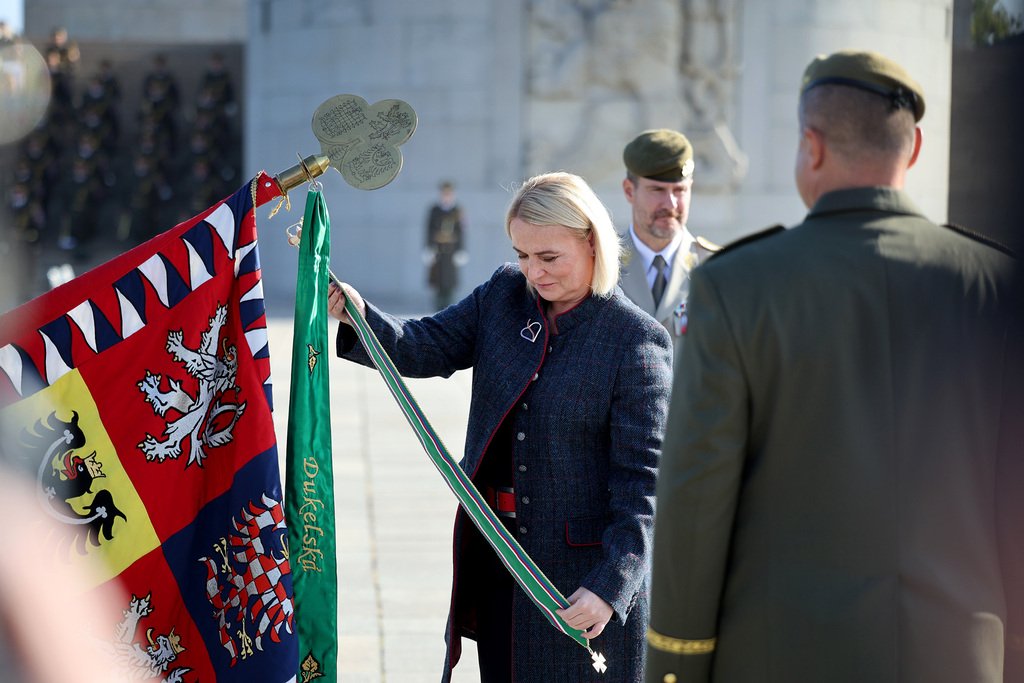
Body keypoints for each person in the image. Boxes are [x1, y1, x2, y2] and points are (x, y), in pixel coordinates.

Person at [645, 49, 1022, 683]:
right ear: (916, 148)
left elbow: (694, 498)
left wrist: (675, 669)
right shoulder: (996, 286)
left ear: (810, 147)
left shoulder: (736, 287)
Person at [329, 172, 673, 681]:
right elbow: (423, 344)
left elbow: (642, 488)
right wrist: (359, 314)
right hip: (497, 559)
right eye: (522, 254)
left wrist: (611, 586)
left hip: (578, 585)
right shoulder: (502, 296)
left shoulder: (636, 342)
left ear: (593, 242)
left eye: (549, 257)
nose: (533, 272)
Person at [618, 129, 718, 358]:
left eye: (680, 190)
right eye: (657, 190)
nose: (671, 203)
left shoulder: (717, 267)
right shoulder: (600, 264)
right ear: (629, 190)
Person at [424, 180, 466, 309]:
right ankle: (437, 310)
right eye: (444, 193)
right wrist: (428, 248)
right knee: (438, 283)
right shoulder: (434, 210)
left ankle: (449, 309)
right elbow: (429, 230)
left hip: (452, 252)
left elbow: (461, 232)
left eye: (449, 193)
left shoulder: (458, 210)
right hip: (438, 252)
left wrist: (461, 250)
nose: (446, 196)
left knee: (450, 284)